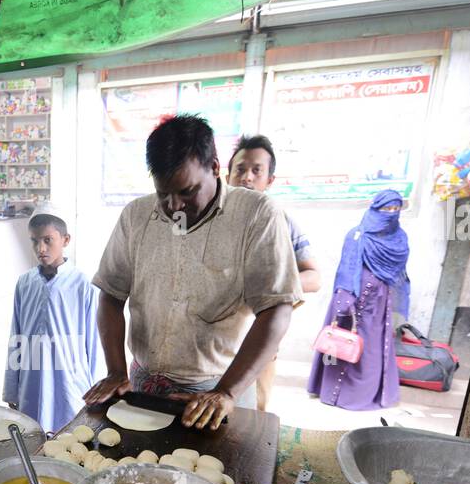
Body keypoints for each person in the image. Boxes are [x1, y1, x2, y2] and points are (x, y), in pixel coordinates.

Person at [84, 115, 302, 430]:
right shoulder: (136, 216)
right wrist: (117, 371)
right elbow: (111, 295)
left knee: (219, 474)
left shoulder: (256, 215)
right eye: (163, 194)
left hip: (216, 389)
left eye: (187, 191)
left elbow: (276, 309)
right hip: (143, 386)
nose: (174, 206)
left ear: (215, 167)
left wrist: (226, 391)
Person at [226, 134, 322, 411]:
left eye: (257, 171)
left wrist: (271, 287)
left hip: (258, 336)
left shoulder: (282, 222)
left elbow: (314, 277)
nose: (247, 177)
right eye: (240, 169)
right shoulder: (210, 219)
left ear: (270, 180)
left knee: (252, 414)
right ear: (227, 174)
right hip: (212, 343)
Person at [2, 205, 105, 432]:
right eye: (34, 241)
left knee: (69, 438)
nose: (40, 248)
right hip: (31, 380)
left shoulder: (84, 285)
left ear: (65, 240)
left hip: (69, 382)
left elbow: (95, 344)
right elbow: (16, 336)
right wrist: (12, 388)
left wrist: (99, 392)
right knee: (33, 437)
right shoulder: (25, 283)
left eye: (48, 240)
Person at [307, 189, 410, 410]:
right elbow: (348, 266)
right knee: (340, 344)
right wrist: (345, 301)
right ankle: (333, 393)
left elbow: (399, 273)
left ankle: (364, 395)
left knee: (370, 350)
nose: (391, 213)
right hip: (353, 296)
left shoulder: (400, 238)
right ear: (375, 209)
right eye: (386, 209)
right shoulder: (357, 234)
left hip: (379, 302)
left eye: (395, 209)